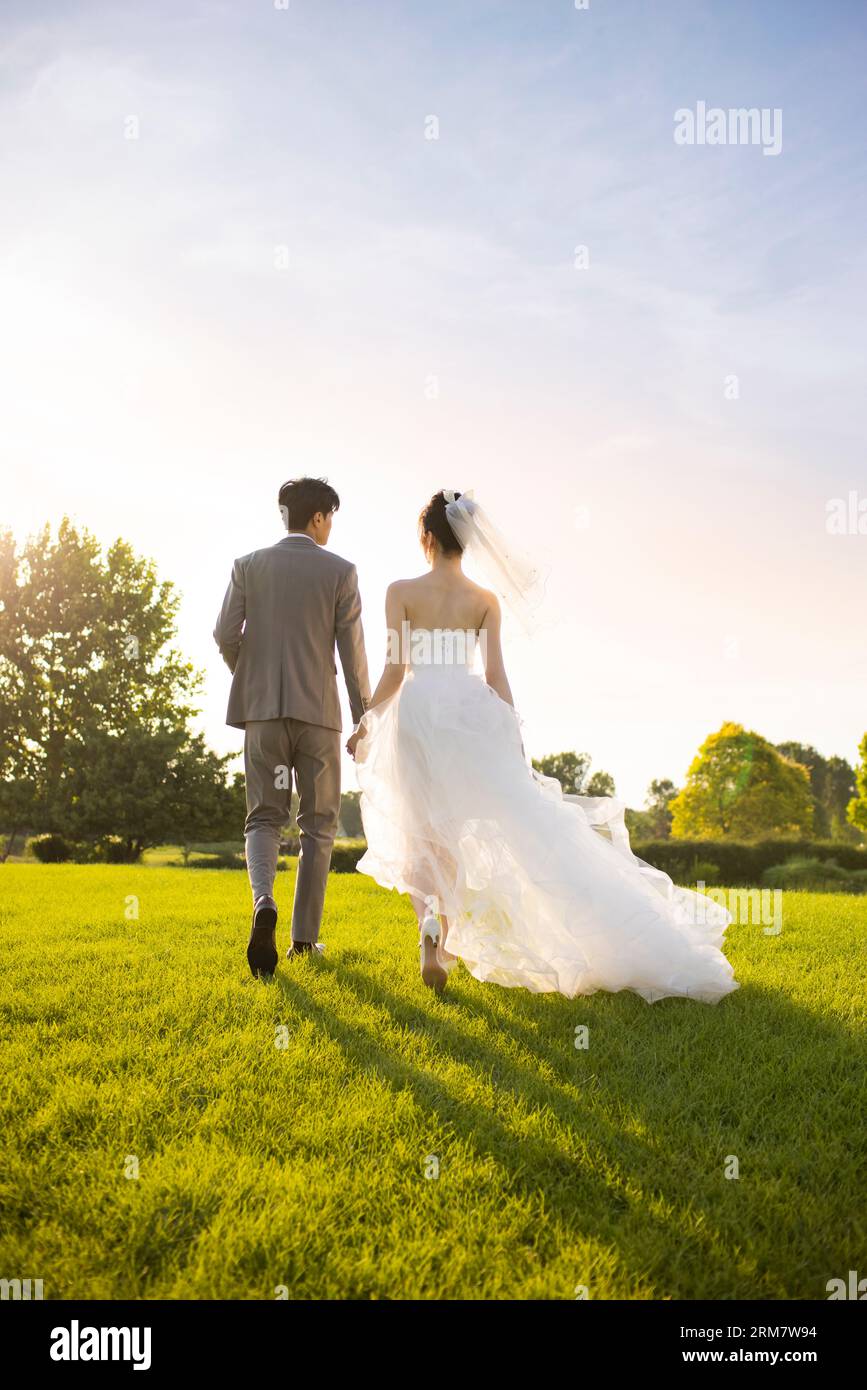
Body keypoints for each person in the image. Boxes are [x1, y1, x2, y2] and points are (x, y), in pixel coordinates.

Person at [347, 489, 737, 1004]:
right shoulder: (485, 601)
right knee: (460, 830)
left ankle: (428, 928)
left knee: (424, 832)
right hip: (467, 712)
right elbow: (495, 675)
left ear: (426, 538)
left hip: (418, 712)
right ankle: (444, 942)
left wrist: (366, 723)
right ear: (468, 539)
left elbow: (395, 670)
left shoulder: (401, 590)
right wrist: (510, 733)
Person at [214, 476, 370, 978]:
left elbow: (223, 633)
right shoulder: (341, 572)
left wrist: (252, 676)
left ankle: (264, 902)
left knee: (263, 818)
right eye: (331, 518)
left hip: (262, 714)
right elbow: (352, 655)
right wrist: (363, 715)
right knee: (318, 827)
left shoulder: (247, 566)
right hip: (319, 717)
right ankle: (304, 943)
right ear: (320, 517)